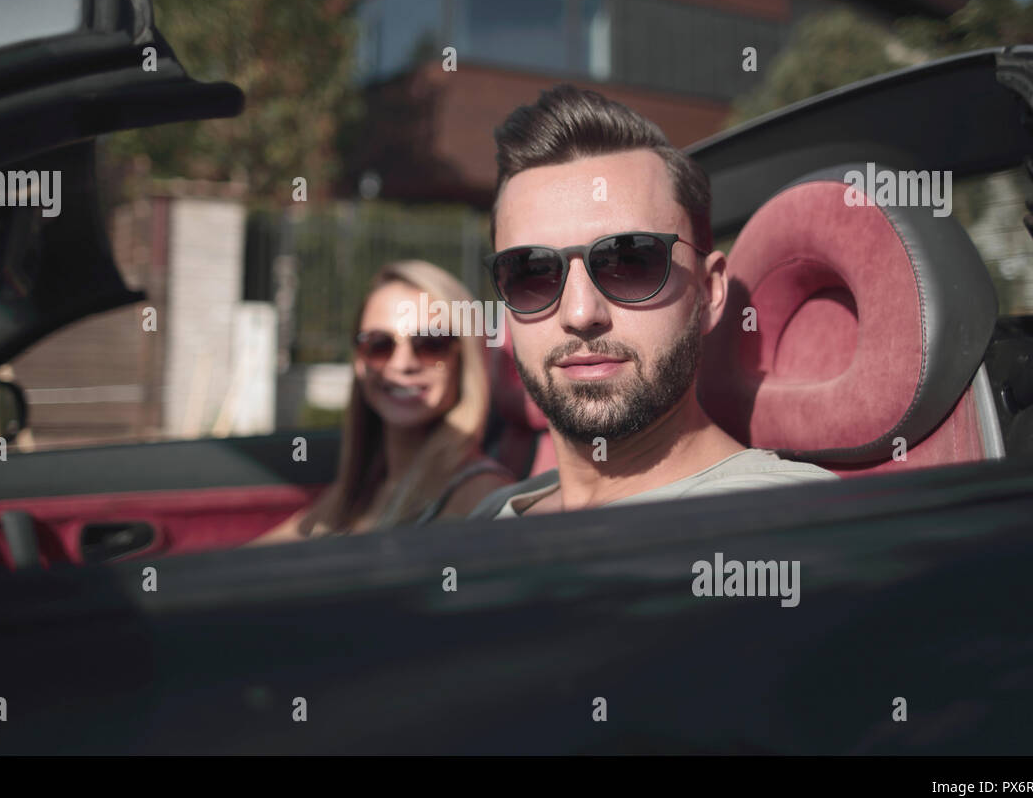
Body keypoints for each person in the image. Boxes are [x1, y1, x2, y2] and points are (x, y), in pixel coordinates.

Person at [472, 84, 839, 519]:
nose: (581, 314)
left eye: (630, 262)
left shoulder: (785, 516)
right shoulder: (490, 514)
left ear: (710, 291)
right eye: (531, 271)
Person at [251, 260, 514, 543]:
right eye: (379, 345)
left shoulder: (481, 495)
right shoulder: (362, 486)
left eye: (430, 345)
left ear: (464, 361)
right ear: (359, 362)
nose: (402, 365)